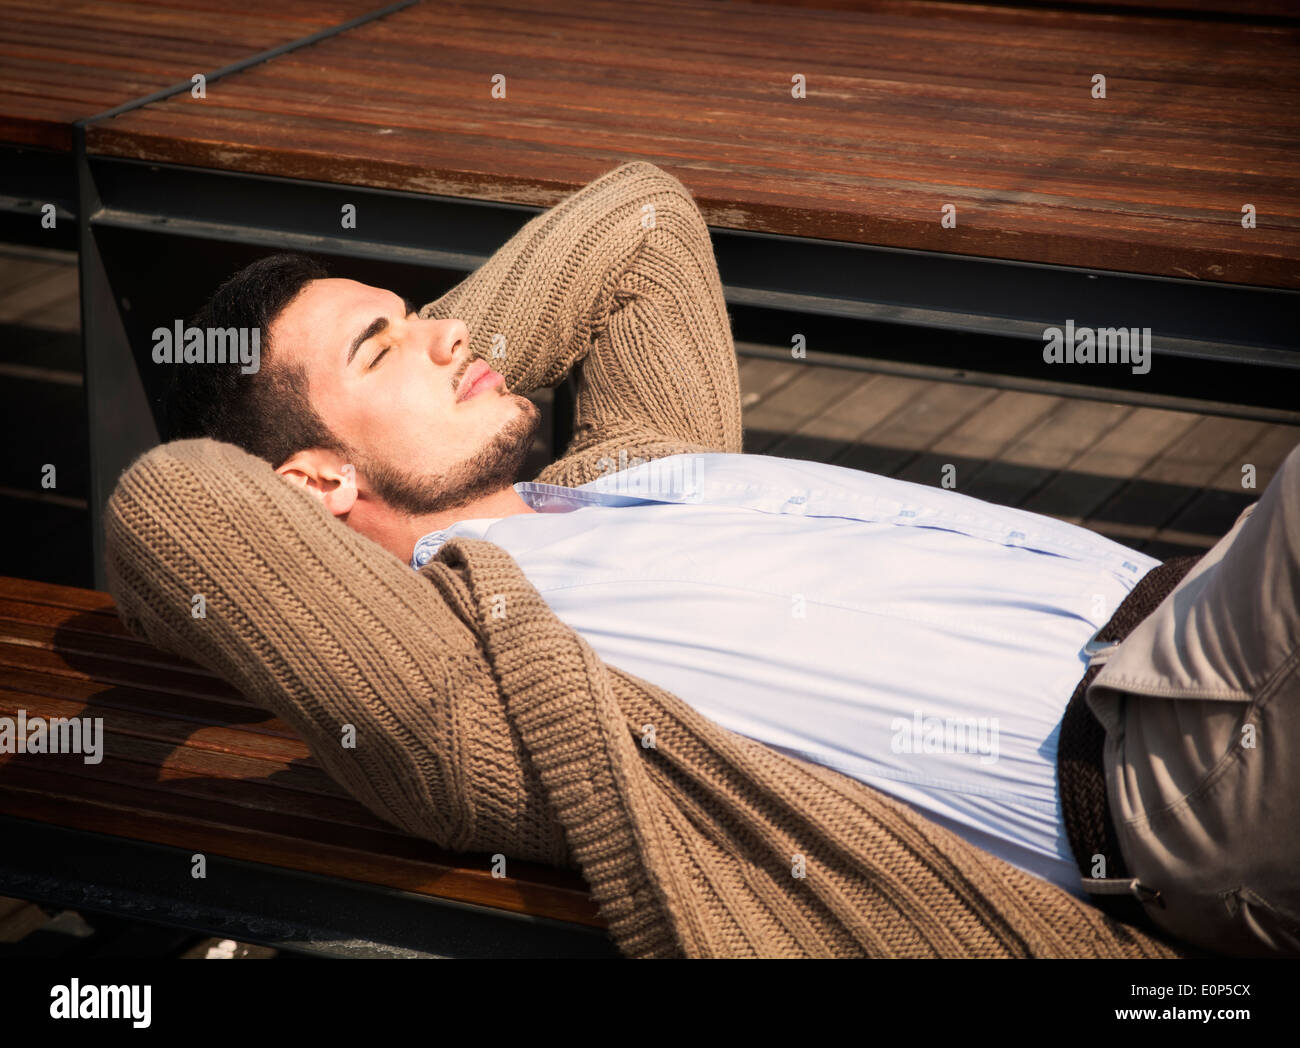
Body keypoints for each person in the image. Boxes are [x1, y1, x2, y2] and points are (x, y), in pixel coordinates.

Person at [163, 161, 1297, 956]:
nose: (454, 330)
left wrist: (418, 379)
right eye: (385, 342)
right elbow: (173, 503)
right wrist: (376, 441)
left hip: (1203, 618)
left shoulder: (631, 464)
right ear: (311, 485)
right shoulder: (474, 692)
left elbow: (642, 220)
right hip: (1171, 773)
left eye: (428, 314)